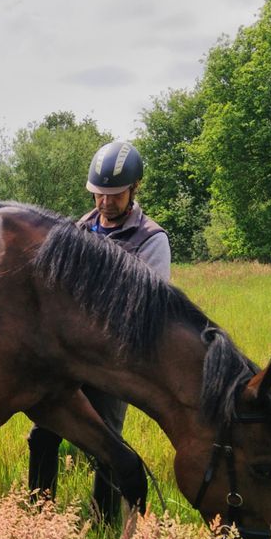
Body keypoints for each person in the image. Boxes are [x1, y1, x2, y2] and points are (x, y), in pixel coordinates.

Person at [27, 140, 171, 518]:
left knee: (107, 441)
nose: (105, 203)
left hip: (112, 361)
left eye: (115, 195)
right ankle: (38, 514)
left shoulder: (152, 239)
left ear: (134, 190)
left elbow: (148, 307)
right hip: (68, 354)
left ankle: (104, 521)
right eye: (99, 195)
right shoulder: (79, 228)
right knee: (44, 432)